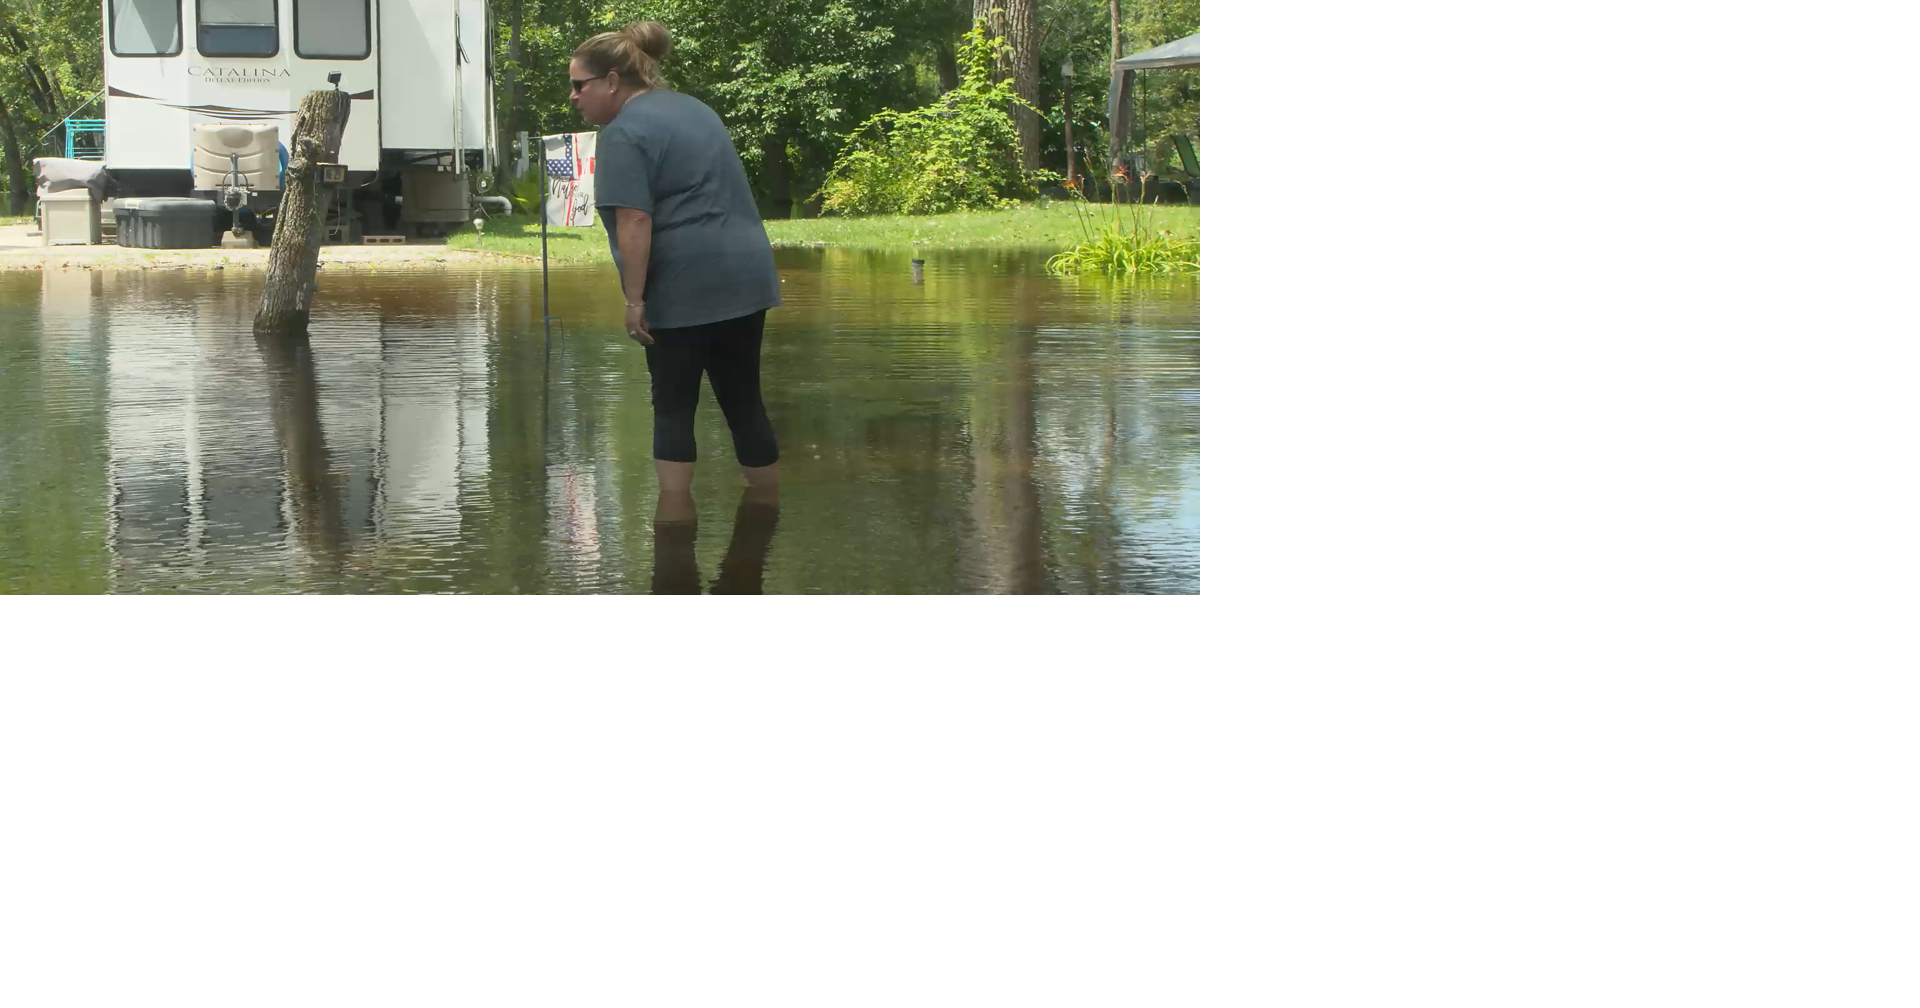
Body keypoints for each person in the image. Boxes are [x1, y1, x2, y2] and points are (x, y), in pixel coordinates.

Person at [569, 21, 783, 518]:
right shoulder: (697, 109)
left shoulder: (622, 133)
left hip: (683, 286)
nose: (575, 97)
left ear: (614, 81)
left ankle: (673, 546)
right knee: (745, 403)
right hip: (748, 278)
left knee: (672, 409)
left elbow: (635, 220)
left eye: (581, 85)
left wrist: (634, 301)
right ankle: (765, 524)